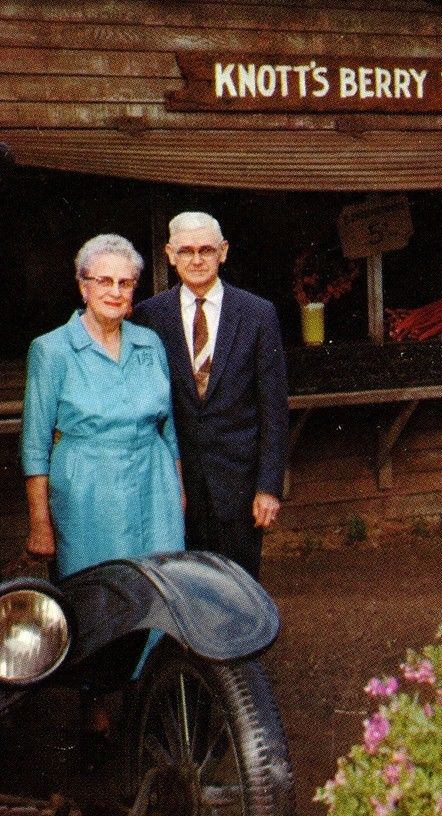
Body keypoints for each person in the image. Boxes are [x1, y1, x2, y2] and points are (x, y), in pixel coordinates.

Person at [134, 211, 289, 580]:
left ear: (223, 252)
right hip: (176, 481)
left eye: (206, 249)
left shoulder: (257, 313)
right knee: (183, 583)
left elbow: (274, 409)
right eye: (186, 251)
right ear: (170, 254)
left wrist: (268, 487)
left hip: (238, 482)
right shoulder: (148, 317)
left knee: (239, 583)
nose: (197, 259)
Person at [21, 234, 184, 580]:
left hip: (155, 483)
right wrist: (40, 523)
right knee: (95, 587)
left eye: (125, 283)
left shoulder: (149, 342)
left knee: (161, 583)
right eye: (104, 281)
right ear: (83, 286)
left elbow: (169, 429)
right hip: (88, 489)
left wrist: (178, 491)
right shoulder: (51, 351)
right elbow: (35, 446)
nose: (115, 291)